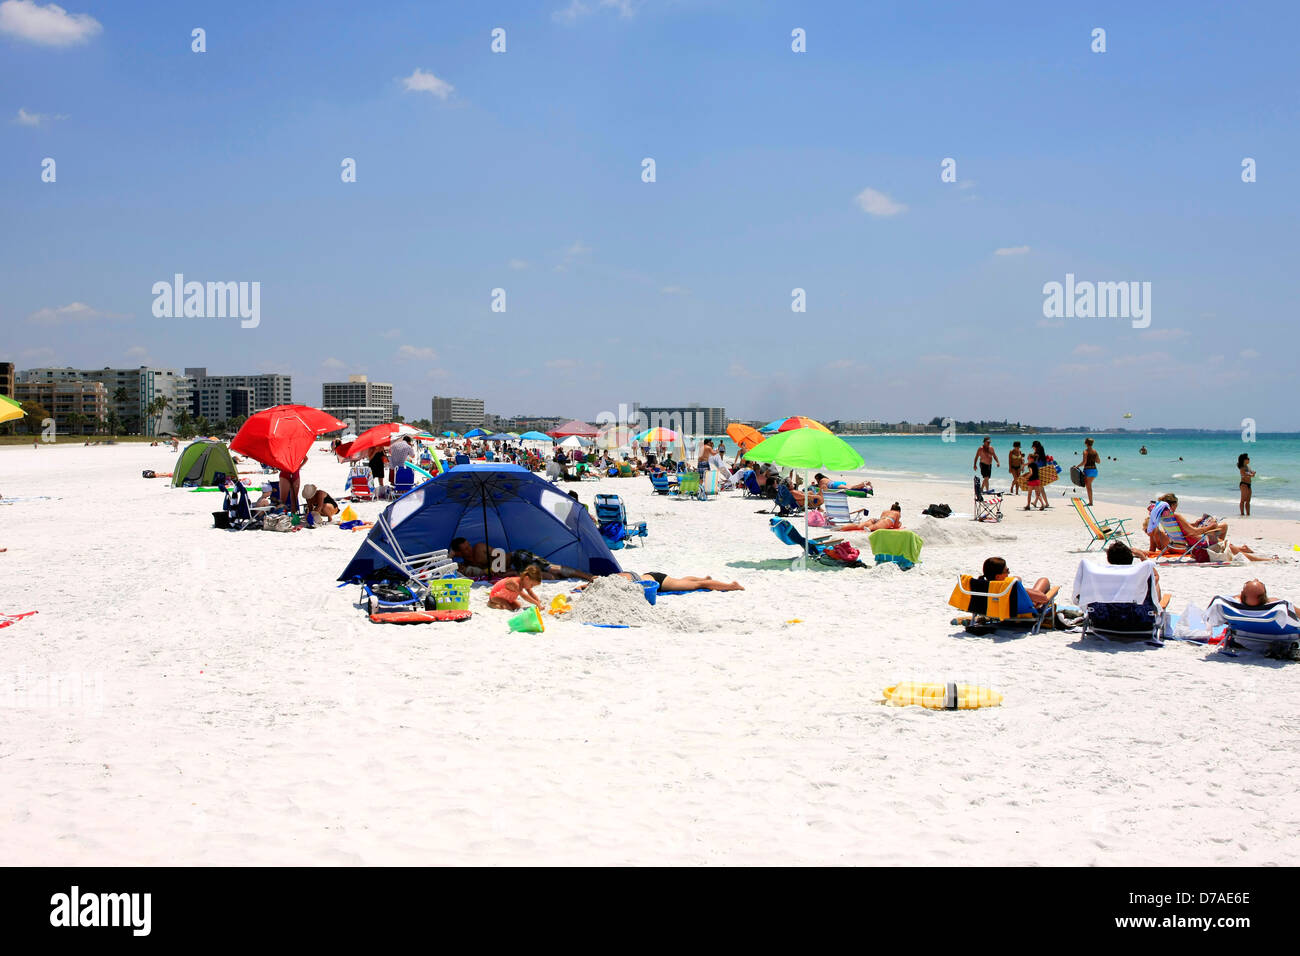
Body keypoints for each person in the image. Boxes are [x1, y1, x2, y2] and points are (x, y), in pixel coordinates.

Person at [981, 556, 1054, 607]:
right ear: (998, 576)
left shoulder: (982, 587)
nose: (1009, 573)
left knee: (1017, 578)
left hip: (995, 610)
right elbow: (1044, 599)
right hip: (1021, 613)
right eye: (1007, 570)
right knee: (1044, 580)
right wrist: (1022, 590)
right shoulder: (1010, 588)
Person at [604, 571, 744, 593]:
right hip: (652, 575)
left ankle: (731, 586)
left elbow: (593, 582)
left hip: (659, 582)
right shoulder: (619, 576)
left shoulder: (615, 582)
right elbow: (594, 581)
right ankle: (705, 579)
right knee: (679, 581)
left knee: (698, 586)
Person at [1078, 437, 1101, 506]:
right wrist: (1093, 458)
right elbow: (1098, 461)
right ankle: (1090, 502)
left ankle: (1091, 502)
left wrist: (1077, 466)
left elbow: (1084, 462)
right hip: (1094, 471)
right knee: (1089, 486)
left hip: (1088, 470)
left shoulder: (1085, 451)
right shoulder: (1095, 451)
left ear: (1086, 443)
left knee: (1088, 487)